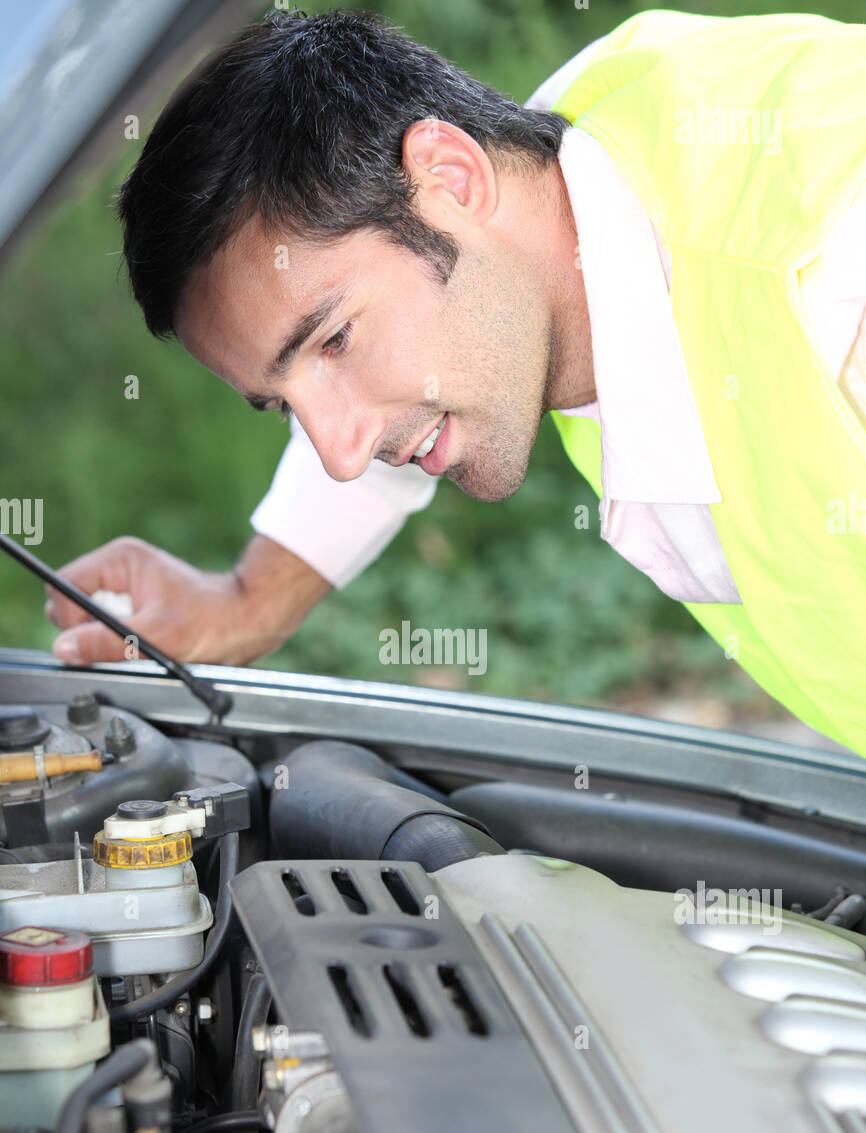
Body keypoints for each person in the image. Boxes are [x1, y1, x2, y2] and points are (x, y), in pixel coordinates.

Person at [46, 8, 866, 757]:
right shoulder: (556, 159)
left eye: (334, 340)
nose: (339, 452)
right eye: (282, 403)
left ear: (452, 179)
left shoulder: (835, 271)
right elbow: (374, 364)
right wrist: (252, 594)